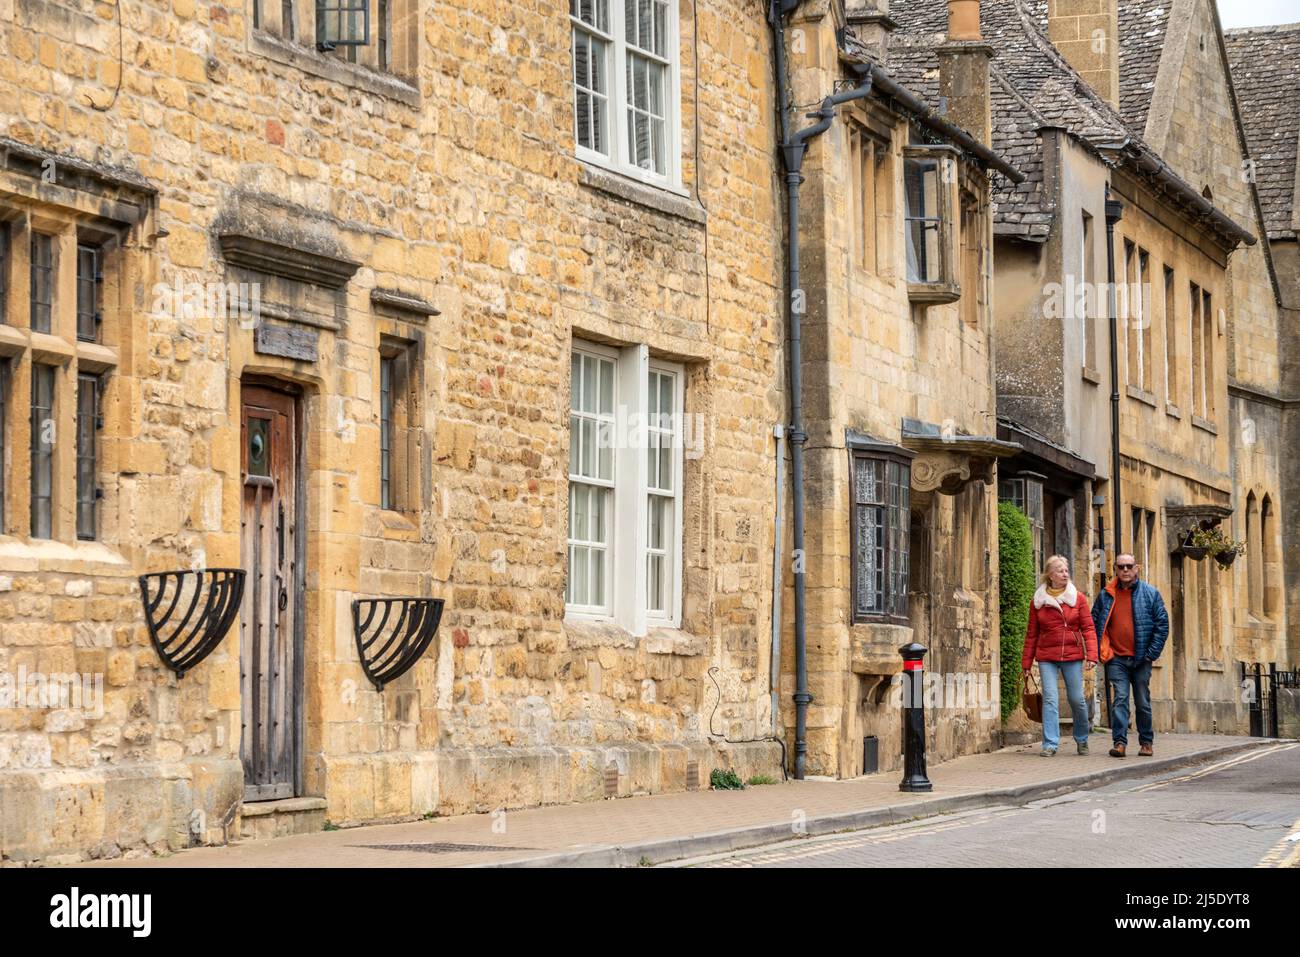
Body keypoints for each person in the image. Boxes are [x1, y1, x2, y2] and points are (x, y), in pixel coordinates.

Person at [1092, 552, 1169, 757]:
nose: (1125, 570)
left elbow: (1162, 625)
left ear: (1137, 568)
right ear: (1115, 569)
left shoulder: (1150, 593)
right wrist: (1102, 650)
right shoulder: (1106, 595)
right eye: (1121, 567)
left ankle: (1146, 742)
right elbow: (1095, 622)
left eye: (1129, 566)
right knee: (1121, 699)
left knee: (1142, 701)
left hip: (1141, 658)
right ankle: (1120, 743)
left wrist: (1151, 654)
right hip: (1116, 658)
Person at [1022, 555, 1098, 756]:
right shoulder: (1038, 601)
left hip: (1072, 655)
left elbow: (1089, 629)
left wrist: (1092, 655)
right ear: (1050, 575)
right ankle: (1050, 744)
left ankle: (1082, 739)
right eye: (1060, 570)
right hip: (1046, 655)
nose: (1065, 574)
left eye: (1066, 570)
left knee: (1076, 699)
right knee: (1050, 699)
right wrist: (1027, 662)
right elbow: (1032, 634)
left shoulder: (1078, 598)